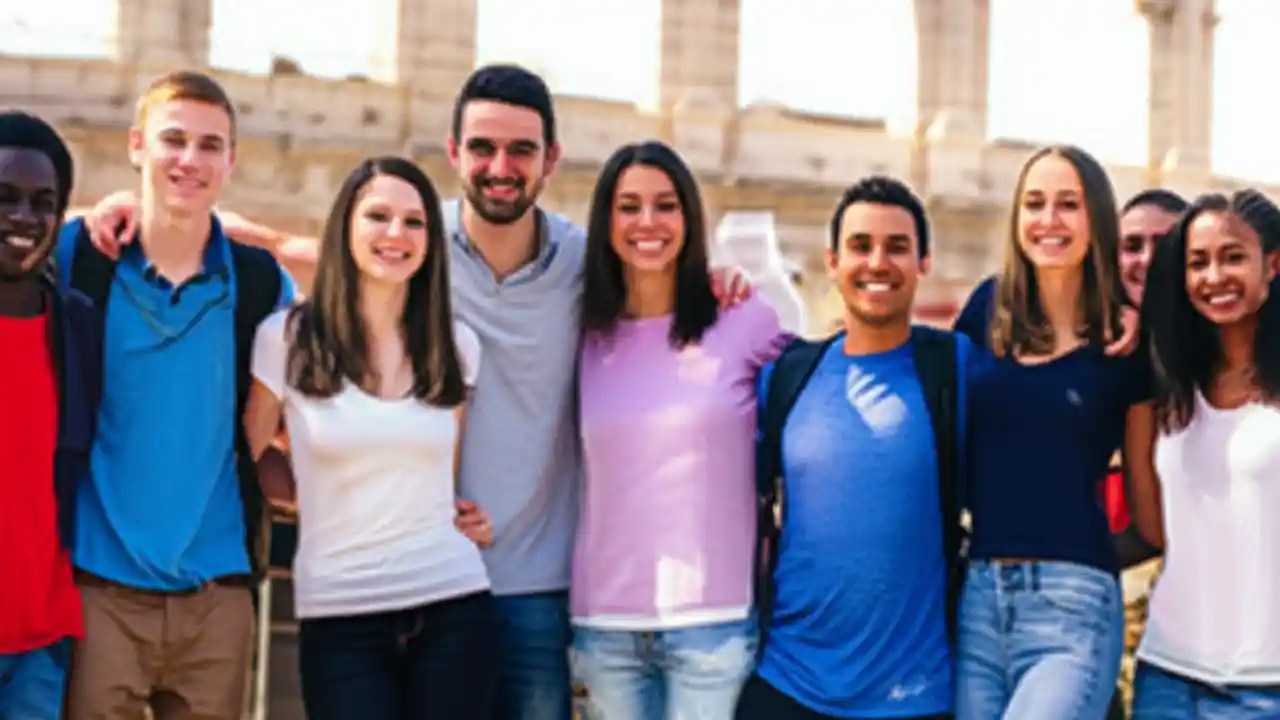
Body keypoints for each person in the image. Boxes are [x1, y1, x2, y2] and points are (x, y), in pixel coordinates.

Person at [78, 63, 750, 720]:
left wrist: (716, 279)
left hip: (537, 586)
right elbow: (277, 245)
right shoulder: (411, 240)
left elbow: (655, 271)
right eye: (482, 147)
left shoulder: (583, 264)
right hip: (390, 583)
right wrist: (126, 207)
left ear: (552, 159)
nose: (500, 166)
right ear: (454, 152)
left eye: (521, 150)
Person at [51, 70, 296, 719]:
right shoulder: (79, 256)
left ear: (231, 160)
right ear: (137, 145)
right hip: (98, 588)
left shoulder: (261, 283)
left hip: (218, 595)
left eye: (210, 145)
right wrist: (98, 208)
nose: (191, 159)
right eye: (173, 139)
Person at [244, 156, 499, 718]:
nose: (396, 234)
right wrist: (308, 493)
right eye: (378, 216)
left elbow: (440, 476)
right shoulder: (285, 339)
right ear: (346, 227)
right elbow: (248, 457)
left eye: (414, 222)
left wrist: (465, 514)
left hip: (453, 601)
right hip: (340, 614)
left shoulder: (457, 346)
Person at [736, 176, 970, 720]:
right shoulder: (785, 375)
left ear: (924, 261)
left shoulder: (955, 367)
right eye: (861, 246)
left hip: (911, 698)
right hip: (786, 683)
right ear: (833, 261)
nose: (877, 263)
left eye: (897, 247)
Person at [571, 140, 787, 719]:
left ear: (689, 217)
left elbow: (810, 413)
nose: (648, 222)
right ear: (606, 221)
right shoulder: (581, 334)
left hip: (714, 626)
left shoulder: (745, 320)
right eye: (628, 206)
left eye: (666, 205)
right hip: (604, 627)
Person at [951, 145, 1150, 719]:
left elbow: (1148, 517)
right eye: (1034, 203)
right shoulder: (986, 310)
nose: (1049, 219)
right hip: (979, 598)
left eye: (1069, 204)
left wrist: (1079, 559)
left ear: (1097, 219)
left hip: (1074, 605)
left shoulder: (1125, 341)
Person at [1126, 189, 1280, 718]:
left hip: (1268, 686)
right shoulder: (1167, 390)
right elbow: (1153, 529)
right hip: (1167, 675)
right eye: (1198, 263)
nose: (1214, 277)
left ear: (1273, 264)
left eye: (1233, 257)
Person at [0, 111, 101, 720]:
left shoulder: (77, 326)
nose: (22, 216)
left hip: (40, 642)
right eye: (5, 197)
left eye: (43, 202)